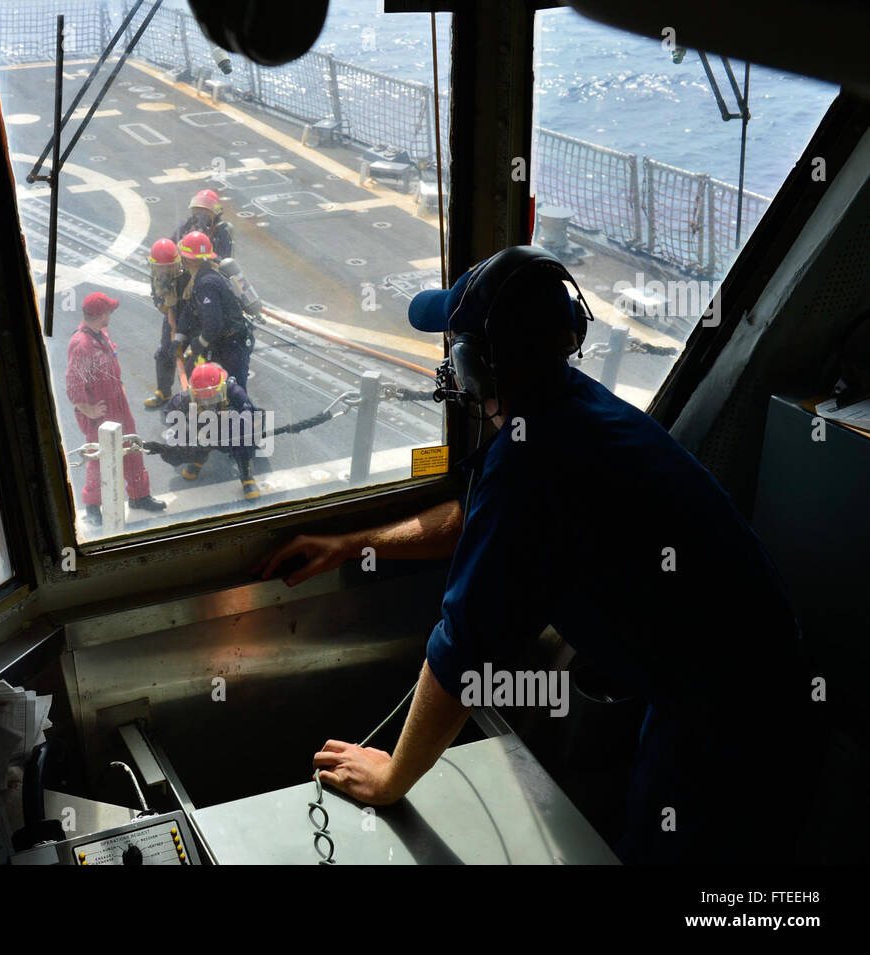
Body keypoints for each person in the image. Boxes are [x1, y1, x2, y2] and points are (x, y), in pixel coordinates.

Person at [254, 245, 822, 865]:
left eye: (456, 344)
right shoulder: (566, 406)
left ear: (474, 365)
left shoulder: (535, 461)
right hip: (746, 687)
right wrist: (355, 544)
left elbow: (461, 652)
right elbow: (483, 517)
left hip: (727, 726)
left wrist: (391, 780)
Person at [65, 291, 167, 526]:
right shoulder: (82, 345)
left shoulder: (100, 335)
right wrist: (88, 409)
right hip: (101, 411)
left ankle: (139, 496)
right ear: (101, 315)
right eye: (109, 310)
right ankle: (92, 506)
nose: (111, 313)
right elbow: (73, 385)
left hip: (117, 405)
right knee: (100, 457)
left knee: (132, 447)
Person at [148, 362, 261, 501]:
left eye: (212, 397)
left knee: (244, 439)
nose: (208, 401)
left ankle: (247, 476)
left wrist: (233, 433)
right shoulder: (183, 398)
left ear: (222, 386)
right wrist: (188, 432)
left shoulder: (234, 391)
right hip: (202, 434)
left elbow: (250, 415)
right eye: (203, 397)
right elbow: (170, 414)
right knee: (178, 444)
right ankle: (197, 459)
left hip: (228, 433)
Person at [175, 230, 255, 391]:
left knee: (235, 391)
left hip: (233, 344)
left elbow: (213, 324)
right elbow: (191, 309)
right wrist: (179, 338)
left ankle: (247, 415)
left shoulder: (206, 284)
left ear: (188, 260)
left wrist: (199, 344)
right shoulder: (204, 275)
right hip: (225, 342)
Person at [144, 237, 190, 409]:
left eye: (168, 267)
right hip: (171, 317)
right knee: (164, 353)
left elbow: (190, 305)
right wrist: (162, 305)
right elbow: (156, 297)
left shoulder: (186, 276)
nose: (164, 271)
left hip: (190, 321)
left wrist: (180, 335)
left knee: (192, 358)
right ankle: (164, 391)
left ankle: (197, 398)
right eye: (160, 268)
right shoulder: (155, 275)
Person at [173, 188, 233, 259]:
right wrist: (186, 238)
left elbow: (223, 259)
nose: (201, 213)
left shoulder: (221, 232)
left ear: (215, 213)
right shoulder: (186, 226)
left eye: (206, 210)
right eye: (198, 209)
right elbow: (171, 246)